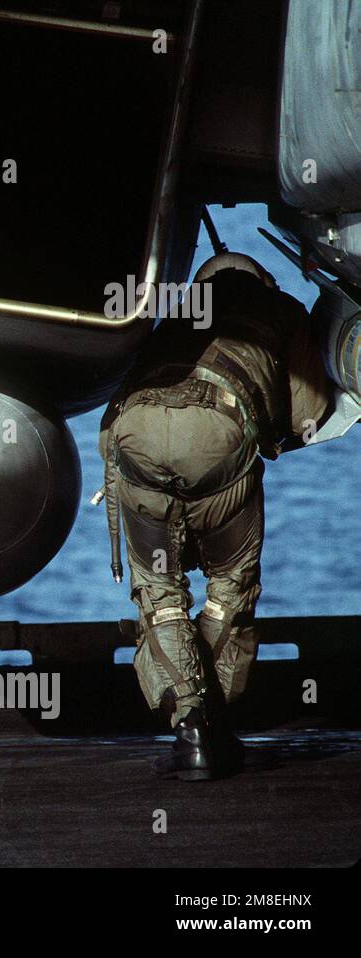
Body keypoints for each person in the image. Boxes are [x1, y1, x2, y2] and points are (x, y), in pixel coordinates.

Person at [99, 252, 331, 780]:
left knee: (159, 595)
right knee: (230, 588)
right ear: (261, 281)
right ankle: (211, 725)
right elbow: (309, 412)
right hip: (218, 436)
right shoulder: (279, 309)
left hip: (134, 432)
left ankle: (191, 725)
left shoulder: (177, 308)